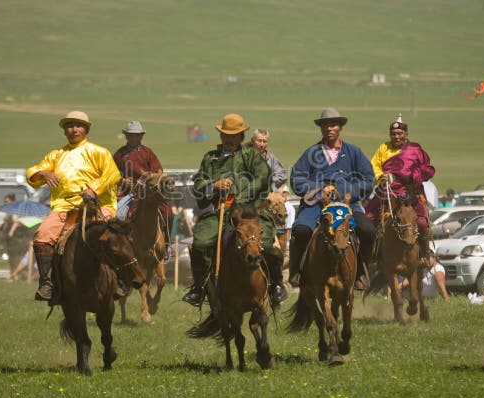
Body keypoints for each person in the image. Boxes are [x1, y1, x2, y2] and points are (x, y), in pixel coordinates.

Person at [181, 113, 287, 308]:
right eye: (226, 135)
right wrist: (214, 185)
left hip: (251, 213)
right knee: (200, 242)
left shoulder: (252, 156)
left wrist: (241, 193)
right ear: (221, 136)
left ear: (241, 137)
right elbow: (198, 184)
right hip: (220, 211)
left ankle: (276, 284)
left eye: (234, 136)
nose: (230, 139)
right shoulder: (210, 158)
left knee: (267, 244)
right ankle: (198, 288)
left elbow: (263, 178)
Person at [26, 111, 121, 302]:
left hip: (97, 204)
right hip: (64, 206)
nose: (74, 129)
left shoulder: (99, 152)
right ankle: (46, 283)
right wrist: (44, 173)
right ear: (64, 131)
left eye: (78, 125)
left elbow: (113, 175)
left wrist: (93, 189)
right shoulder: (56, 155)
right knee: (42, 235)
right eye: (69, 126)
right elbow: (32, 174)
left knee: (112, 235)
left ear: (86, 129)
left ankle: (119, 280)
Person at [288, 108, 375, 290]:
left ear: (340, 127)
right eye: (325, 125)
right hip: (316, 204)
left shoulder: (354, 152)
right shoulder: (310, 153)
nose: (329, 128)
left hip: (346, 204)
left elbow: (368, 179)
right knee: (301, 230)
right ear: (321, 128)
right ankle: (297, 271)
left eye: (333, 124)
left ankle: (361, 271)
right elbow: (296, 179)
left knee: (368, 231)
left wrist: (344, 191)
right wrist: (319, 190)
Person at [367, 115, 436, 259]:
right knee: (369, 218)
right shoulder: (383, 148)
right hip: (387, 191)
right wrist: (381, 176)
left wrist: (412, 176)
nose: (396, 136)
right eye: (393, 134)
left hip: (410, 193)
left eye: (400, 133)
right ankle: (373, 255)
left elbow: (427, 169)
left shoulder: (415, 150)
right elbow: (374, 166)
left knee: (422, 223)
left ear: (406, 134)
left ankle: (425, 254)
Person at [112, 120, 173, 245]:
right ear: (126, 136)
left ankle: (166, 244)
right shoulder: (119, 154)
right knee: (117, 215)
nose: (134, 137)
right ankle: (121, 245)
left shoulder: (148, 152)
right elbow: (112, 173)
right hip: (128, 193)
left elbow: (159, 171)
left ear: (141, 136)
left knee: (168, 213)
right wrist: (122, 181)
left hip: (149, 192)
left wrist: (150, 178)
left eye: (137, 135)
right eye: (131, 135)